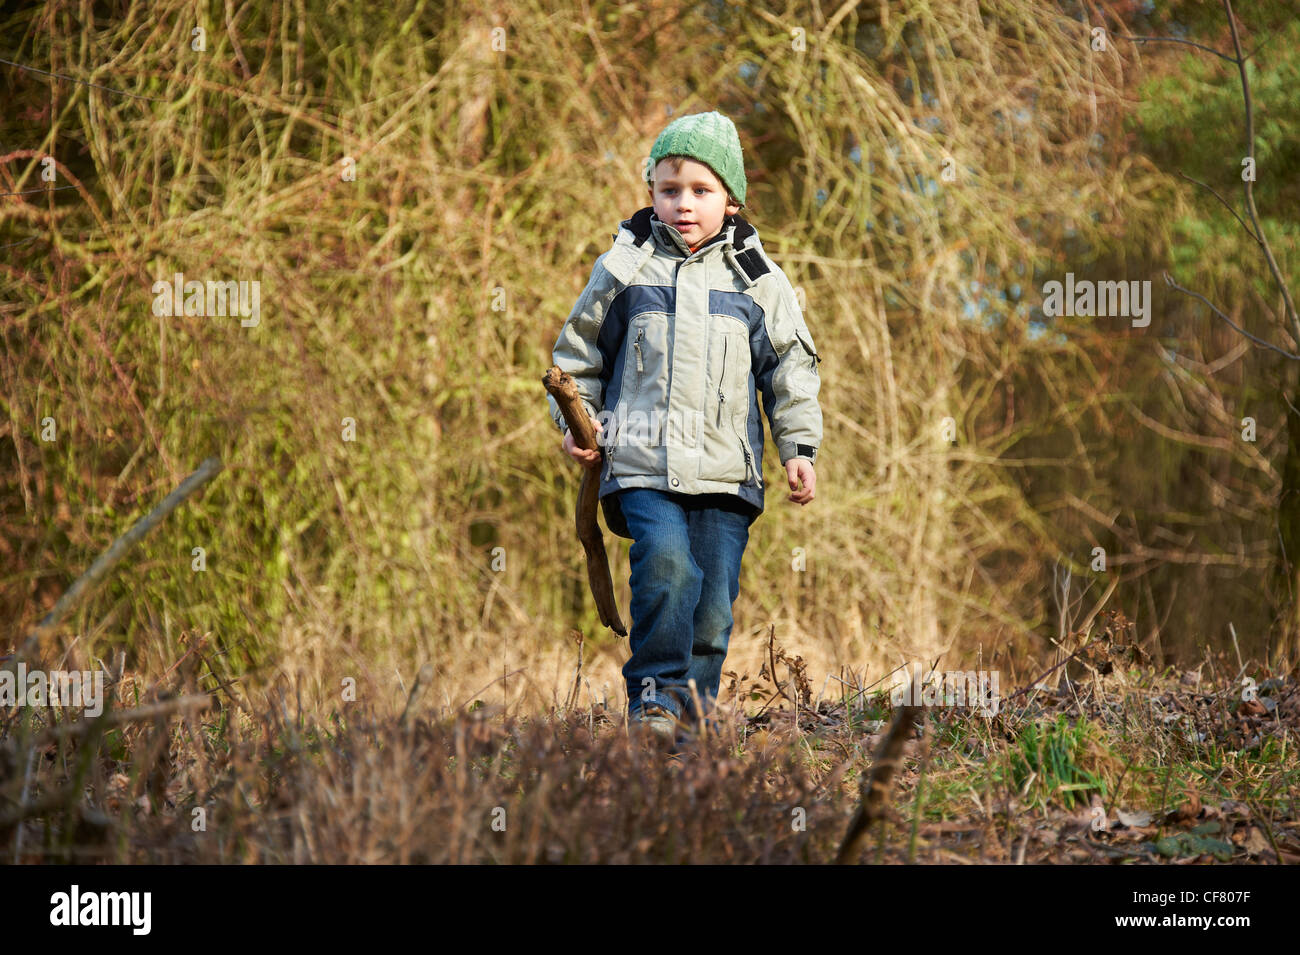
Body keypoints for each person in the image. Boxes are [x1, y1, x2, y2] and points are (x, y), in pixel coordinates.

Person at [547, 110, 823, 747]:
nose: (684, 204)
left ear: (731, 201)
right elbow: (577, 359)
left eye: (701, 191)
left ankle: (689, 724)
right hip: (642, 467)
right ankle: (652, 706)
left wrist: (798, 448)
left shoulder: (760, 282)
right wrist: (576, 425)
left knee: (712, 607)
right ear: (651, 194)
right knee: (667, 569)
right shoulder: (622, 271)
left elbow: (791, 370)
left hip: (728, 476)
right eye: (670, 190)